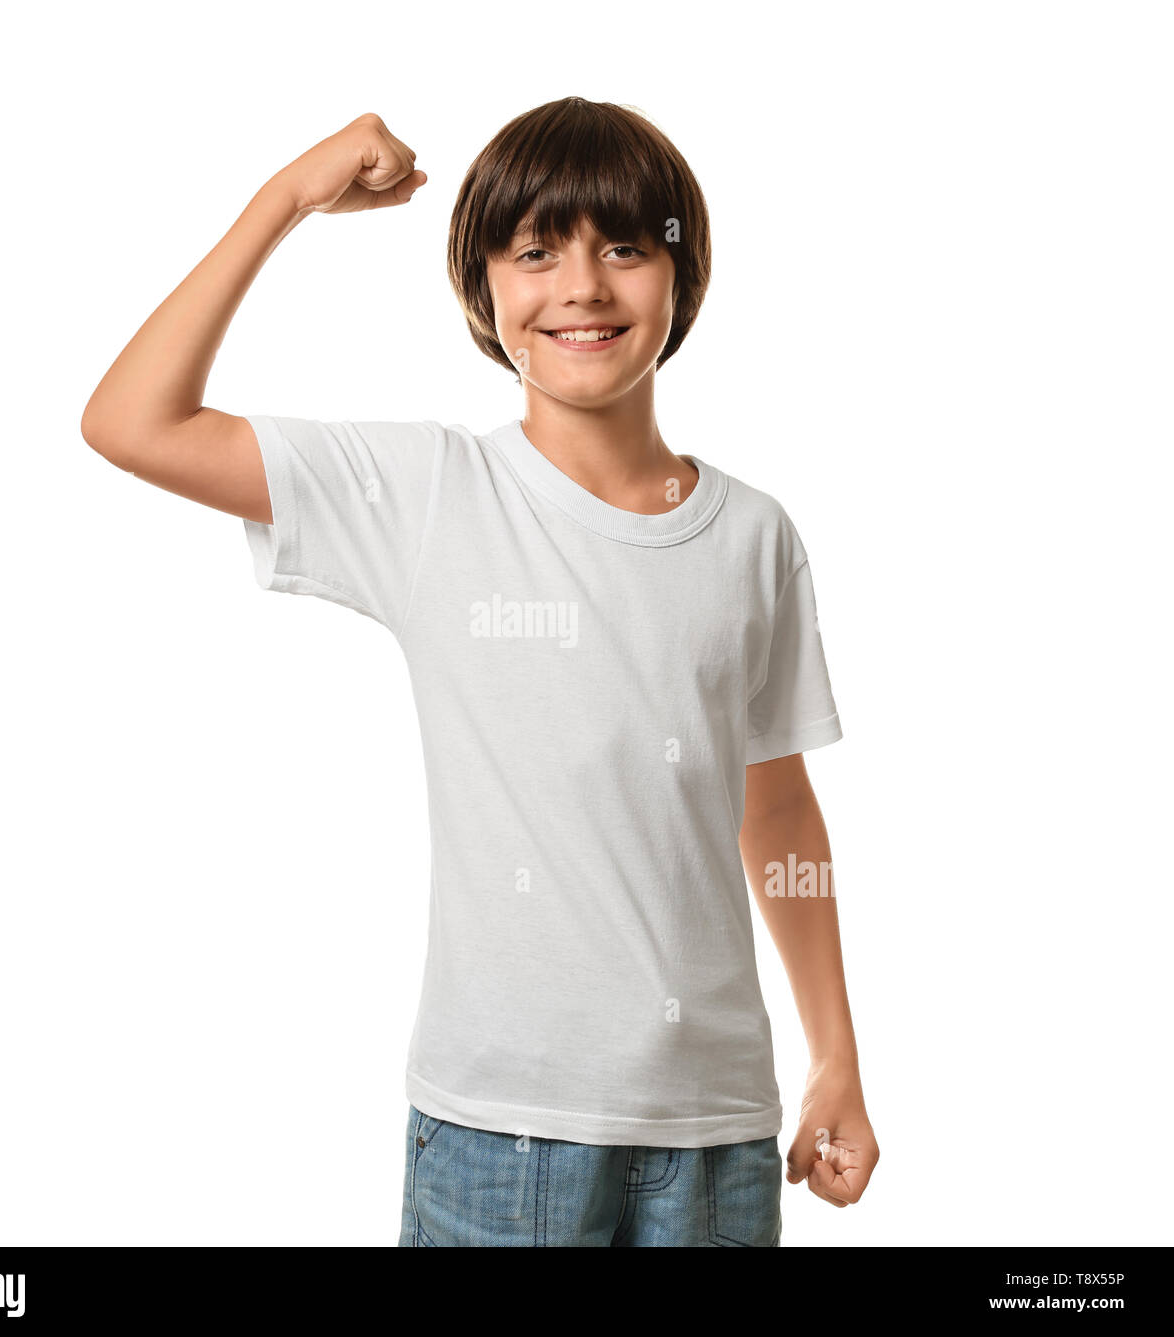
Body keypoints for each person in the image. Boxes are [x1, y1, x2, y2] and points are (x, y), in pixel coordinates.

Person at [81, 98, 880, 1247]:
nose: (583, 287)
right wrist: (287, 198)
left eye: (623, 247)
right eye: (535, 250)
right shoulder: (427, 494)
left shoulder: (753, 535)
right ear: (482, 283)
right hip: (498, 1136)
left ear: (679, 273)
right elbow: (130, 419)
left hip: (716, 1135)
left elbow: (779, 803)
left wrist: (835, 1057)